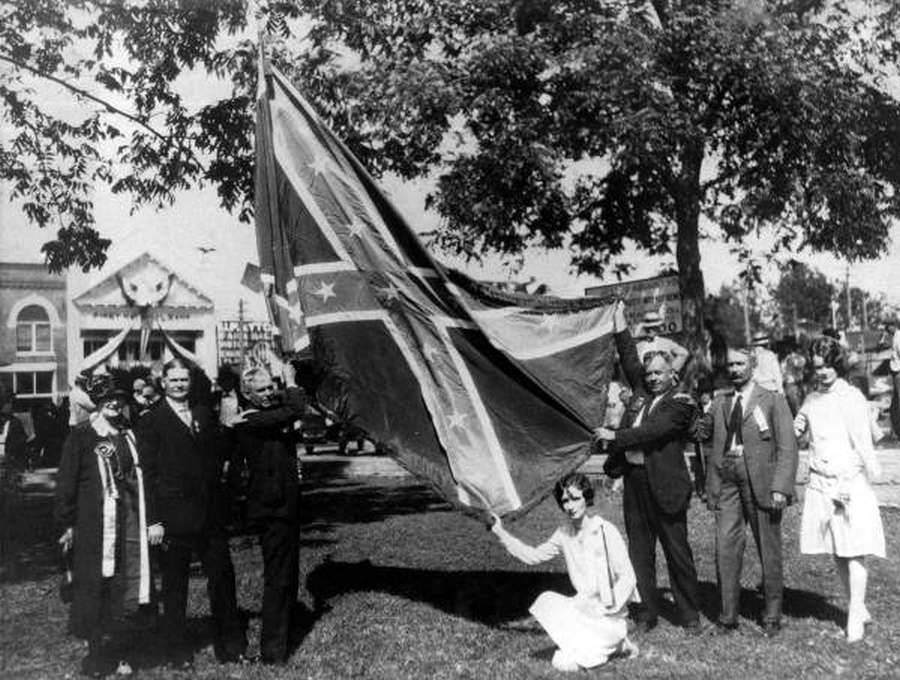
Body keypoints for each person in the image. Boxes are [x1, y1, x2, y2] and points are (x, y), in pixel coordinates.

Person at [595, 302, 703, 634]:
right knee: (639, 553)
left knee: (677, 553)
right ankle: (646, 613)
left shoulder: (681, 403)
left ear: (673, 374)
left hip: (666, 486)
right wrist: (619, 323)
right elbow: (628, 356)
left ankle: (690, 616)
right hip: (635, 482)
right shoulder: (641, 391)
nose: (653, 378)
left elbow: (652, 432)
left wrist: (616, 436)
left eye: (659, 373)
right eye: (650, 373)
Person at [137, 358, 246, 666]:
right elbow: (146, 473)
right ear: (163, 383)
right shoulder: (151, 420)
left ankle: (232, 648)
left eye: (184, 380)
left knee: (223, 580)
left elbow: (218, 455)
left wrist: (229, 428)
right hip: (173, 518)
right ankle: (176, 652)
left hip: (210, 515)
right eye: (174, 381)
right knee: (175, 588)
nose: (180, 385)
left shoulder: (203, 414)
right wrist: (154, 519)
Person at [54, 375, 162, 677]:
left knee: (125, 586)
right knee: (96, 587)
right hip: (93, 526)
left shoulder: (130, 434)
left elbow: (143, 477)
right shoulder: (82, 436)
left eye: (119, 398)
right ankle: (98, 654)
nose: (114, 403)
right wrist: (66, 524)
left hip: (130, 522)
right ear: (97, 403)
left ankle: (124, 652)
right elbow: (66, 483)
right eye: (107, 399)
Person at [490, 473, 639, 672]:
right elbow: (533, 556)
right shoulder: (563, 533)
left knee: (568, 661)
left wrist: (605, 608)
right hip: (583, 608)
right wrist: (500, 533)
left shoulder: (605, 530)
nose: (570, 506)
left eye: (575, 499)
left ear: (586, 498)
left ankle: (617, 641)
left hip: (608, 615)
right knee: (546, 601)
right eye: (565, 501)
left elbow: (628, 577)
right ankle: (611, 646)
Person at [700, 346, 798, 636]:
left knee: (768, 549)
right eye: (730, 365)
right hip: (727, 478)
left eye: (740, 364)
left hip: (761, 481)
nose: (734, 369)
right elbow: (703, 439)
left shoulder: (772, 400)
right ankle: (728, 616)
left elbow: (788, 447)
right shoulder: (720, 402)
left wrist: (781, 486)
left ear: (753, 365)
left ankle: (771, 615)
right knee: (725, 547)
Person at [794, 336, 885, 642]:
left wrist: (849, 482)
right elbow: (805, 428)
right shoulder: (813, 397)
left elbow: (862, 445)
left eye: (828, 367)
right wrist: (798, 424)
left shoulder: (852, 398)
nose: (822, 373)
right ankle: (856, 606)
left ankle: (855, 616)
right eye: (818, 368)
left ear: (838, 366)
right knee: (837, 550)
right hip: (821, 481)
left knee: (855, 550)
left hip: (848, 481)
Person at [229, 364, 305, 664]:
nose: (269, 393)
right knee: (278, 578)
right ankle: (273, 652)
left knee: (286, 576)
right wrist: (290, 381)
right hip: (272, 509)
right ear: (247, 395)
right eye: (260, 390)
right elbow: (296, 408)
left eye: (271, 387)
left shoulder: (268, 416)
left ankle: (280, 642)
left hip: (286, 505)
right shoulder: (252, 419)